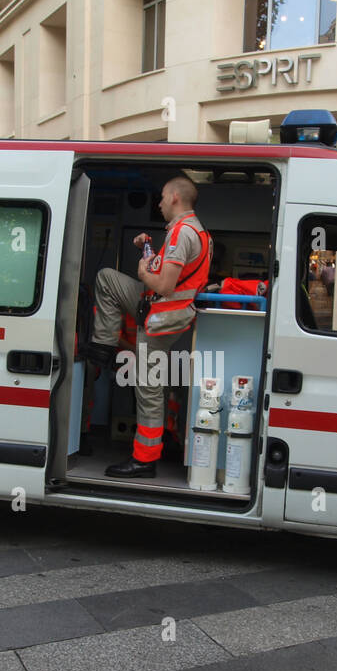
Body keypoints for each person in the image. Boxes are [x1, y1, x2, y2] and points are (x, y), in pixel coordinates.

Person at [86, 176, 212, 478]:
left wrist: (143, 273)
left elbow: (165, 285)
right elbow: (164, 269)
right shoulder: (192, 232)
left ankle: (144, 460)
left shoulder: (183, 233)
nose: (157, 204)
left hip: (163, 317)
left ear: (173, 198)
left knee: (149, 389)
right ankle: (103, 345)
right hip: (158, 310)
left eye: (161, 198)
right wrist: (147, 249)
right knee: (106, 278)